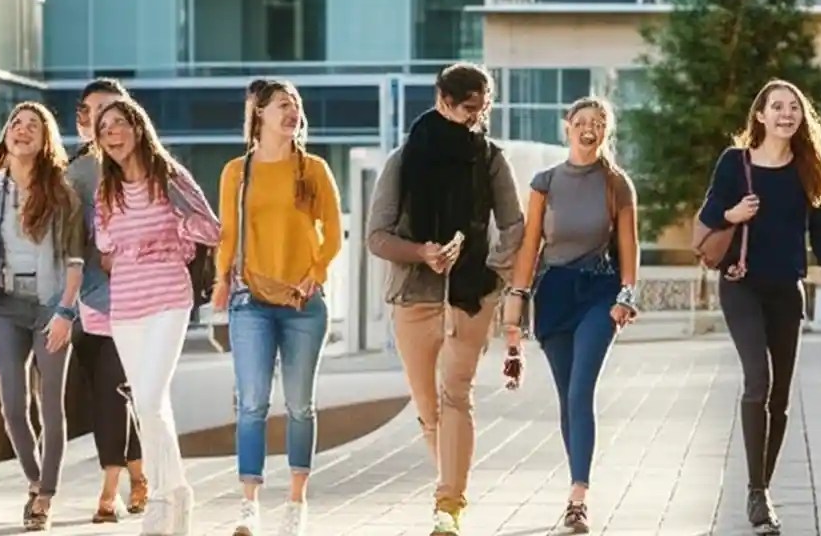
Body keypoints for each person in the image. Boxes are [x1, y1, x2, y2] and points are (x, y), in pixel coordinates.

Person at [697, 79, 821, 536]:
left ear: (801, 118)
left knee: (780, 397)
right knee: (759, 378)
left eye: (793, 107)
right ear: (760, 116)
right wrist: (734, 215)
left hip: (786, 293)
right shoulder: (736, 163)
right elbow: (710, 213)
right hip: (741, 285)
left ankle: (761, 489)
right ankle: (757, 492)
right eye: (777, 106)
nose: (785, 114)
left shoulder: (807, 170)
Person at [366, 63, 525, 536]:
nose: (477, 117)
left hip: (470, 296)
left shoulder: (491, 158)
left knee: (455, 394)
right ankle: (452, 487)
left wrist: (491, 271)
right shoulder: (405, 158)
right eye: (469, 108)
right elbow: (377, 236)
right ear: (443, 100)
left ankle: (447, 505)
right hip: (414, 295)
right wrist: (422, 253)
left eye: (485, 108)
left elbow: (513, 225)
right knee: (428, 409)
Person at [501, 97, 640, 534]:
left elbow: (629, 246)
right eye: (581, 122)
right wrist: (515, 311)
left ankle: (578, 497)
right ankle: (574, 480)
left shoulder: (617, 184)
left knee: (581, 391)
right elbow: (530, 248)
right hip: (556, 294)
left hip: (600, 293)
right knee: (566, 398)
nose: (589, 128)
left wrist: (627, 295)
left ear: (606, 131)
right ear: (567, 128)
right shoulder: (545, 182)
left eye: (598, 123)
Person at [212, 80, 343, 536]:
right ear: (260, 114)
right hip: (251, 301)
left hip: (304, 303)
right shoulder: (236, 172)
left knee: (300, 405)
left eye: (296, 106)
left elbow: (334, 231)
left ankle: (295, 503)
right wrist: (220, 281)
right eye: (283, 105)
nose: (293, 112)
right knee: (251, 404)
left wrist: (317, 273)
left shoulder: (314, 169)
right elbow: (228, 234)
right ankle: (249, 506)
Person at [94, 96, 221, 536]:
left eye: (117, 124)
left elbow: (211, 227)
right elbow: (106, 247)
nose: (110, 133)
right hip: (126, 305)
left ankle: (163, 500)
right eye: (102, 128)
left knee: (147, 399)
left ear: (137, 126)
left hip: (169, 297)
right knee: (152, 405)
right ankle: (179, 493)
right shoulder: (105, 190)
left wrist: (175, 235)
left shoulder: (170, 176)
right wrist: (131, 253)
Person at [0, 102, 85, 531]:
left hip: (50, 305)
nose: (22, 131)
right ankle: (33, 479)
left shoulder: (62, 191)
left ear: (45, 142)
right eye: (15, 124)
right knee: (11, 407)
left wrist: (65, 312)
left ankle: (45, 497)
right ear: (6, 135)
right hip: (6, 307)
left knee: (51, 406)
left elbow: (76, 263)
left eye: (32, 127)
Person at [66, 78, 149, 522]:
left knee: (112, 397)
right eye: (93, 113)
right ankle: (139, 477)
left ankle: (109, 491)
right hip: (90, 303)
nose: (103, 122)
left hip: (136, 302)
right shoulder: (76, 168)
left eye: (111, 112)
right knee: (112, 396)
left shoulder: (143, 165)